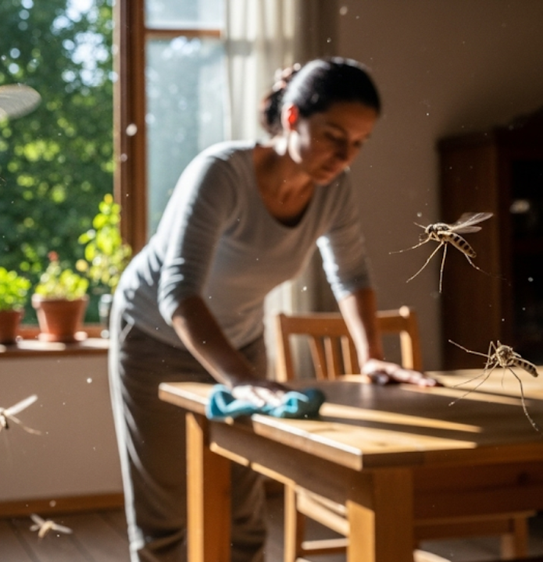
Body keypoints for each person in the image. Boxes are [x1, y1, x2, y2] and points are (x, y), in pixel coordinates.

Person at [107, 57, 439, 562]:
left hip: (239, 339)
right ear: (292, 119)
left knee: (246, 511)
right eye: (333, 136)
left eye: (358, 144)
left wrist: (371, 355)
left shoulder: (334, 190)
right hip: (154, 335)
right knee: (165, 517)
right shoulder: (220, 173)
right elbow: (179, 292)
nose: (344, 156)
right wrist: (242, 381)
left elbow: (351, 276)